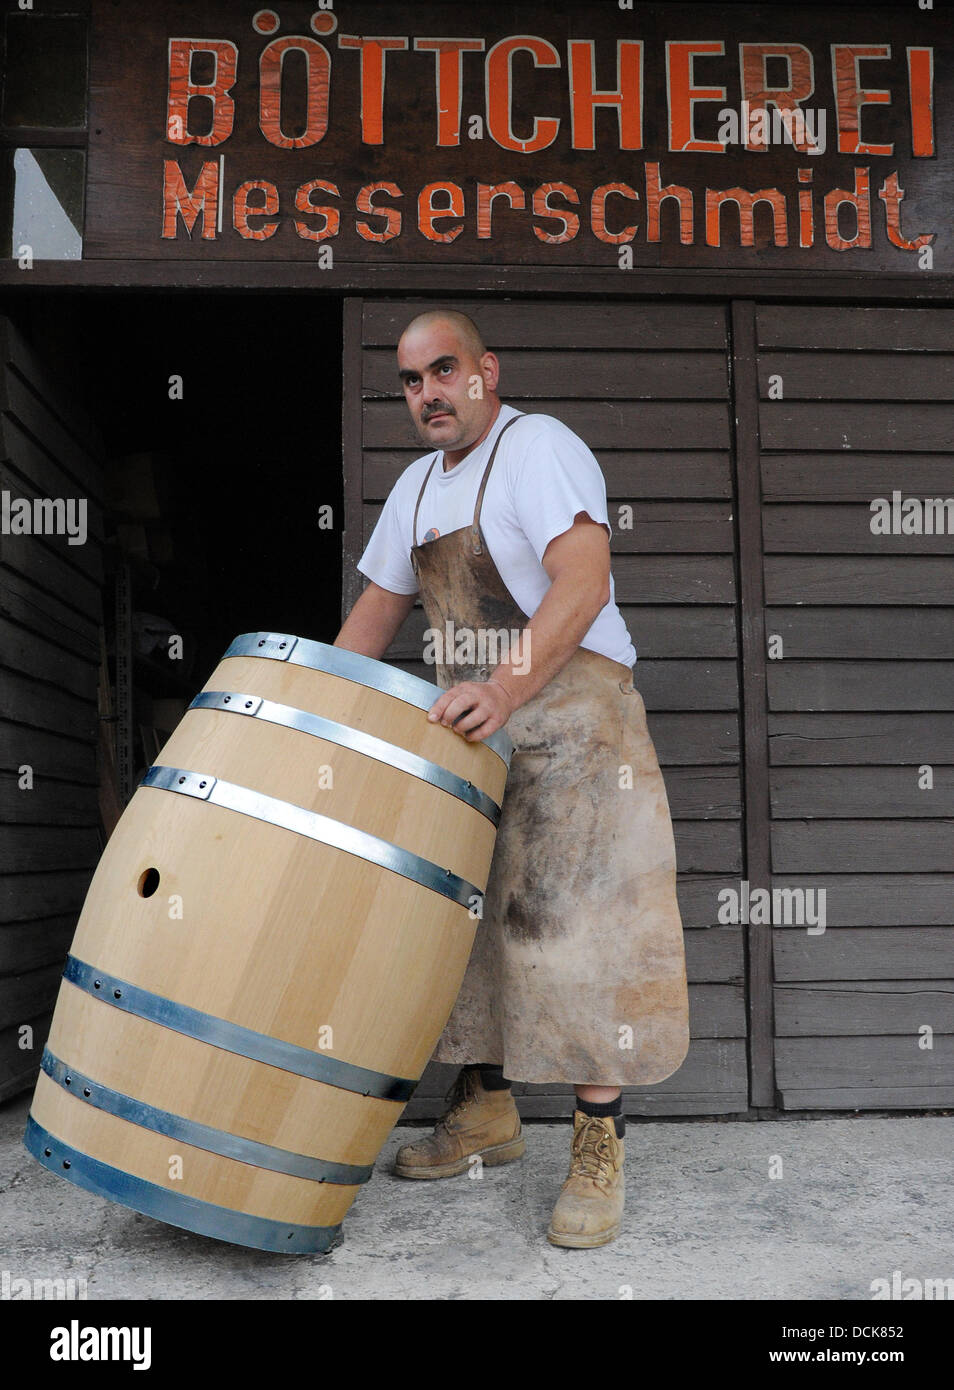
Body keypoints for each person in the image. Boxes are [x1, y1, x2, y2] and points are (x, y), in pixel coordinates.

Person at [333, 309, 689, 1248]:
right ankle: (486, 1113)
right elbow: (375, 612)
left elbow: (584, 582)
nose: (429, 395)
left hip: (576, 727)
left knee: (577, 934)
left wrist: (503, 682)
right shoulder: (414, 490)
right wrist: (322, 718)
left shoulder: (538, 450)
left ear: (486, 370)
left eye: (444, 371)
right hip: (479, 738)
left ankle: (597, 1148)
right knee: (469, 927)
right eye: (411, 382)